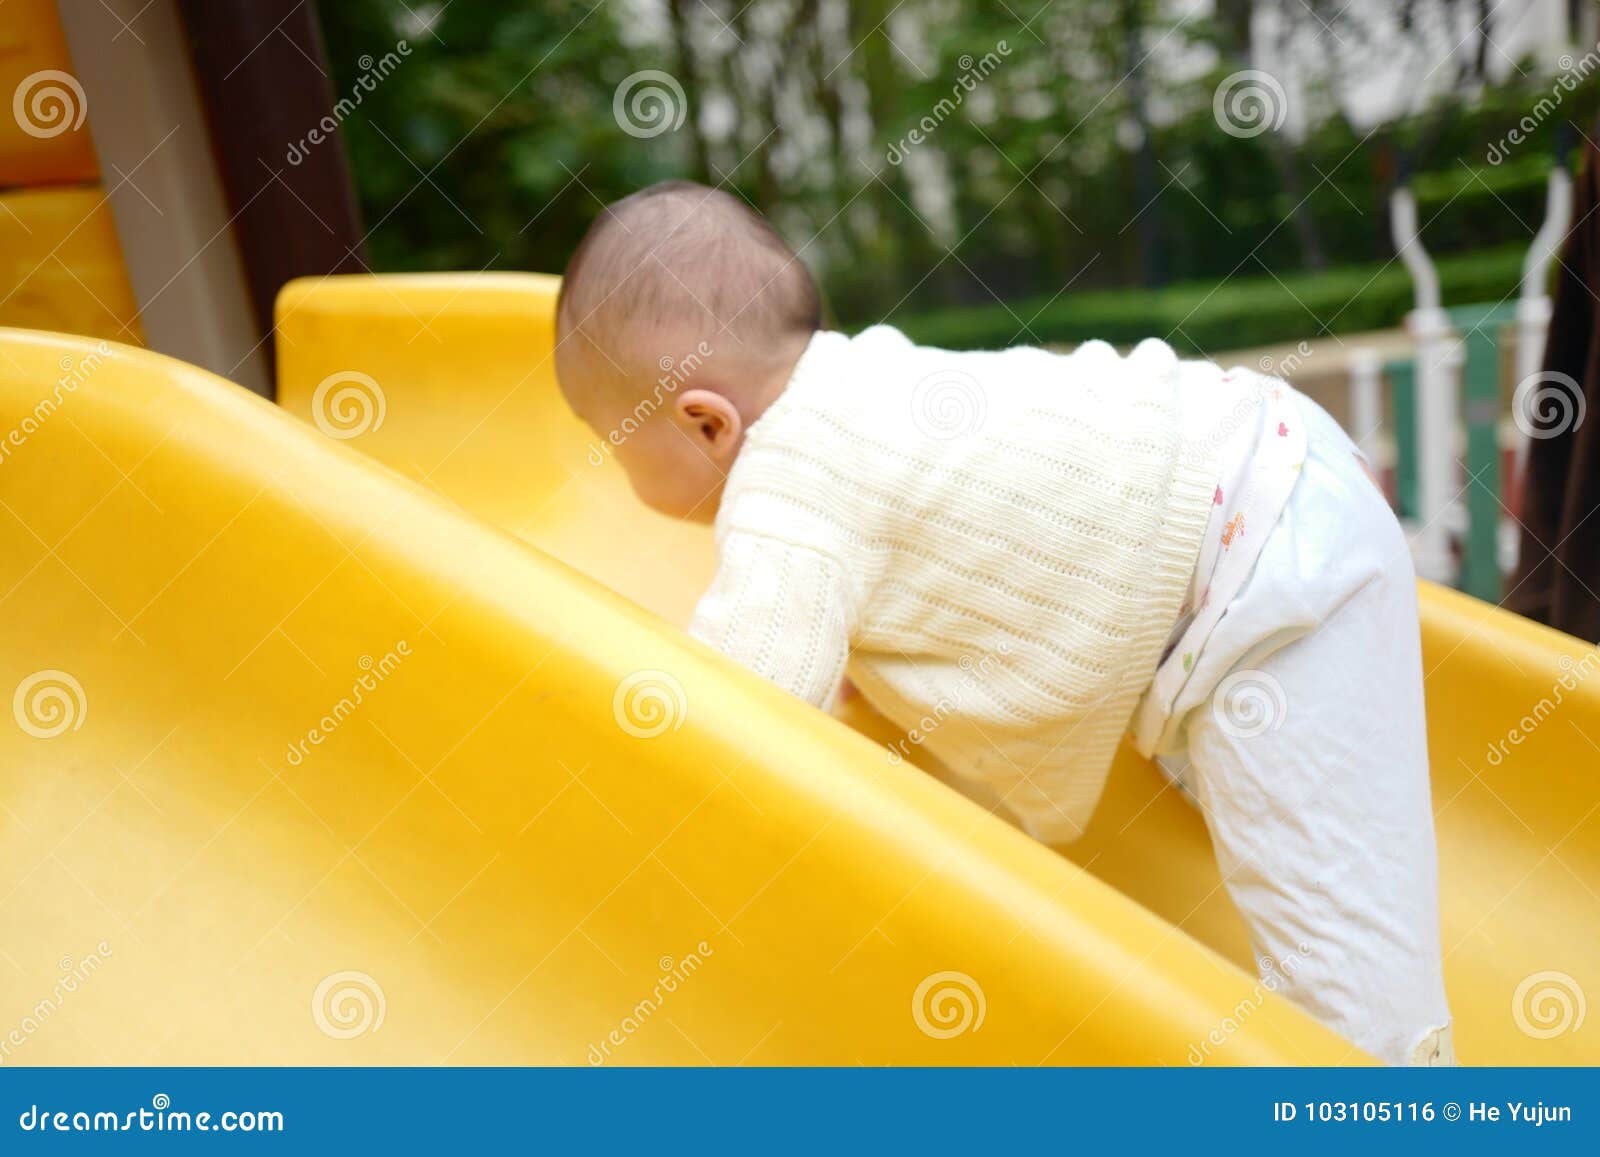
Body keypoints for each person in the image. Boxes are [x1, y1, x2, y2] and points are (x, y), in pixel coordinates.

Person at [553, 180, 1453, 1065]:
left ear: (705, 423)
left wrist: (618, 822)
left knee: (1345, 984)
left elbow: (738, 715)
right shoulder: (859, 380)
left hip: (1262, 556)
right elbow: (945, 547)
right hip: (1254, 494)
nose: (618, 478)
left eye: (616, 447)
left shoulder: (785, 483)